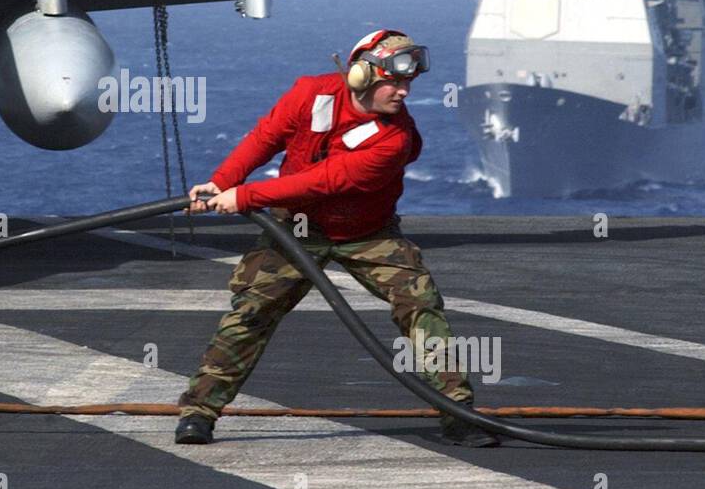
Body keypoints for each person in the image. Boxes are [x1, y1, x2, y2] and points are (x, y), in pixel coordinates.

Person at [176, 29, 500, 447]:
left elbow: (323, 182)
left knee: (420, 306)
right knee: (251, 312)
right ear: (362, 75)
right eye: (394, 82)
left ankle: (458, 413)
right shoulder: (309, 94)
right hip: (295, 227)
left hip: (368, 234)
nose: (403, 92)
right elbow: (265, 138)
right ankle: (198, 413)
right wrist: (220, 182)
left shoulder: (393, 140)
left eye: (408, 84)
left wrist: (243, 196)